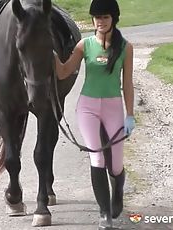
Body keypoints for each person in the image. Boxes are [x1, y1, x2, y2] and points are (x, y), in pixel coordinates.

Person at [54, 0, 135, 229]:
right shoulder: (84, 45)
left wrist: (130, 115)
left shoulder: (125, 48)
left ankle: (117, 191)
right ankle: (104, 213)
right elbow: (63, 72)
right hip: (87, 107)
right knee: (96, 157)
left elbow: (127, 84)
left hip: (113, 107)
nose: (100, 21)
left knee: (116, 165)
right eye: (97, 17)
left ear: (113, 19)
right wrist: (49, 55)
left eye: (105, 17)